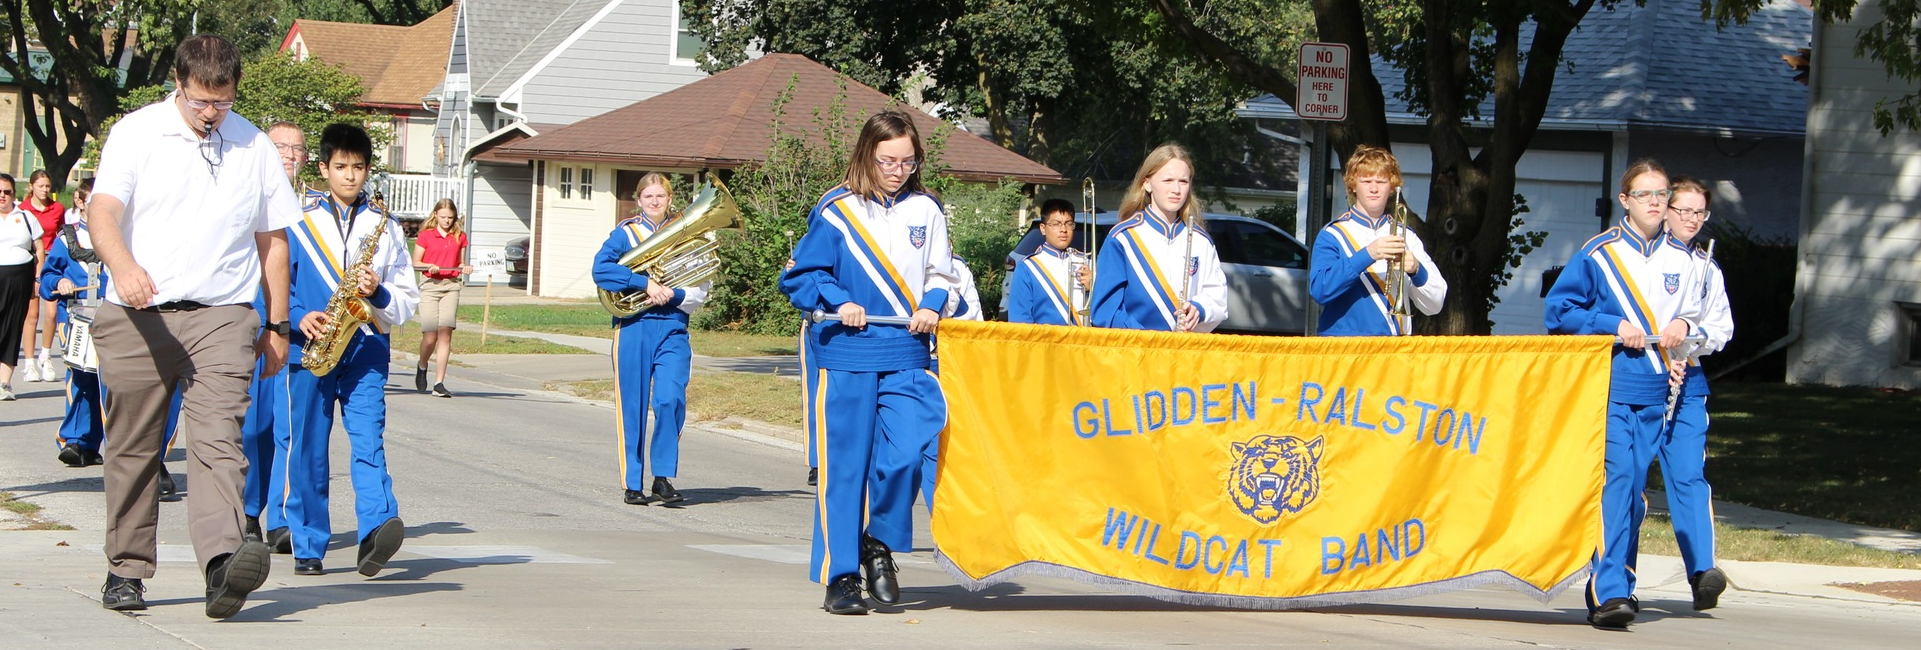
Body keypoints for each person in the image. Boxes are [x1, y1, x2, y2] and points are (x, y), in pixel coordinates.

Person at [85, 34, 296, 618]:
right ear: (178, 83)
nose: (211, 114)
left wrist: (277, 326)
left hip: (222, 315)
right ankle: (126, 569)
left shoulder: (253, 145)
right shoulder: (137, 131)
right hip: (138, 313)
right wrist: (122, 266)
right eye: (202, 101)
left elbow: (272, 239)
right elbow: (103, 210)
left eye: (222, 103)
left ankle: (222, 565)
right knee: (133, 445)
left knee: (218, 442)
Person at [779, 110, 956, 615]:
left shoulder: (928, 209)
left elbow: (943, 274)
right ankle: (841, 576)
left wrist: (931, 304)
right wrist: (838, 299)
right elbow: (800, 276)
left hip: (906, 350)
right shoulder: (836, 209)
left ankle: (876, 541)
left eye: (908, 160)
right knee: (845, 469)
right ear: (866, 154)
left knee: (907, 453)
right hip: (847, 352)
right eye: (888, 161)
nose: (899, 170)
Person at [1544, 158, 1704, 630]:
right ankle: (1609, 591)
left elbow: (1702, 315)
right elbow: (1560, 311)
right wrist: (1612, 325)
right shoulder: (1600, 254)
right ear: (1625, 200)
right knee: (1616, 487)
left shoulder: (1684, 259)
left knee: (1634, 494)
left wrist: (1686, 329)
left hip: (1663, 391)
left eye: (1661, 194)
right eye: (1645, 194)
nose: (1655, 202)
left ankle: (1623, 581)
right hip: (1612, 389)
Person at [282, 123, 417, 578]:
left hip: (365, 348)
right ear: (323, 168)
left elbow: (406, 301)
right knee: (309, 449)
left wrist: (378, 293)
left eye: (358, 167)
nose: (349, 176)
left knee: (368, 443)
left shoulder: (387, 226)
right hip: (312, 348)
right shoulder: (296, 222)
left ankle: (376, 530)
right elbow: (271, 285)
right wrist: (298, 314)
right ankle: (307, 542)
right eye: (340, 167)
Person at [42, 196, 185, 494]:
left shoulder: (141, 230)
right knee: (84, 382)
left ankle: (152, 459)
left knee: (147, 392)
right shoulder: (70, 236)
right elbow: (48, 277)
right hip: (86, 317)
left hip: (146, 318)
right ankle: (81, 441)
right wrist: (58, 284)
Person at [592, 172, 706, 507]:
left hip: (673, 326)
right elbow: (601, 270)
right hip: (634, 326)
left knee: (671, 399)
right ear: (639, 200)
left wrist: (673, 293)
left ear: (670, 200)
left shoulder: (686, 235)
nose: (655, 202)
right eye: (648, 197)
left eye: (661, 197)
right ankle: (632, 482)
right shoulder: (626, 233)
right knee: (633, 405)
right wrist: (644, 284)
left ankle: (663, 476)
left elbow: (700, 292)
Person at [1655, 175, 1734, 611]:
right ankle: (1615, 578)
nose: (1690, 219)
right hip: (1642, 376)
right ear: (1666, 211)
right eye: (1682, 209)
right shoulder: (1640, 259)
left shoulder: (1708, 267)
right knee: (1625, 482)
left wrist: (1692, 339)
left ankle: (1703, 571)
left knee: (1688, 475)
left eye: (1698, 212)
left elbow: (1722, 328)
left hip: (1689, 380)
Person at [248, 120, 309, 549]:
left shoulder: (314, 212)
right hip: (249, 318)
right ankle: (247, 510)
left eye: (297, 148)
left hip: (296, 327)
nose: (289, 154)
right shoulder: (247, 198)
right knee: (253, 427)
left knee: (289, 429)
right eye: (280, 147)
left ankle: (283, 517)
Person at [1309, 145, 1448, 335]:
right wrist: (1368, 254)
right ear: (1353, 185)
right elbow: (1319, 290)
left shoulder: (1406, 235)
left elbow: (1435, 304)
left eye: (1381, 181)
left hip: (1393, 350)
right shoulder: (1333, 234)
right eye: (1366, 181)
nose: (1373, 188)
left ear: (1391, 187)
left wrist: (1416, 270)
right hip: (1344, 351)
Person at [1089, 143, 1227, 332]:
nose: (1176, 190)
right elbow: (1105, 312)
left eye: (1184, 181)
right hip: (1136, 353)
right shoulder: (1123, 238)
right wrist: (1147, 341)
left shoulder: (1200, 241)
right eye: (1168, 180)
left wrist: (1200, 309)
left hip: (1185, 354)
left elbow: (1218, 298)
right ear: (1147, 183)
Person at [413, 198, 470, 397]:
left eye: (450, 218)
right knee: (430, 336)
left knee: (445, 332)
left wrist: (465, 267)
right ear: (435, 215)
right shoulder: (426, 236)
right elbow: (416, 262)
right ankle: (422, 365)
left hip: (451, 286)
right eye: (443, 217)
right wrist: (428, 266)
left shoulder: (459, 236)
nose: (446, 221)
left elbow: (460, 263)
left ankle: (439, 382)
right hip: (430, 286)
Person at [1008, 199, 1093, 325]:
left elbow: (1103, 311)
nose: (1063, 229)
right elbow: (1020, 320)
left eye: (1069, 224)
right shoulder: (1028, 267)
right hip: (1046, 342)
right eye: (1056, 224)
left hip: (1083, 342)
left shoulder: (1088, 262)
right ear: (1043, 228)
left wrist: (1093, 289)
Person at [0, 173, 46, 400]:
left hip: (19, 277)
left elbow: (39, 248)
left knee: (12, 325)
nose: (2, 196)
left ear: (14, 194)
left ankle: (4, 383)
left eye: (7, 191)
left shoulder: (25, 216)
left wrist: (38, 278)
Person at [19, 170, 65, 382]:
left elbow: (63, 235)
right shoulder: (23, 209)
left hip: (51, 261)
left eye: (47, 186)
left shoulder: (57, 208)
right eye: (40, 186)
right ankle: (29, 363)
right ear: (32, 187)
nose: (45, 190)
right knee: (32, 314)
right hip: (31, 260)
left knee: (52, 312)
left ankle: (45, 355)